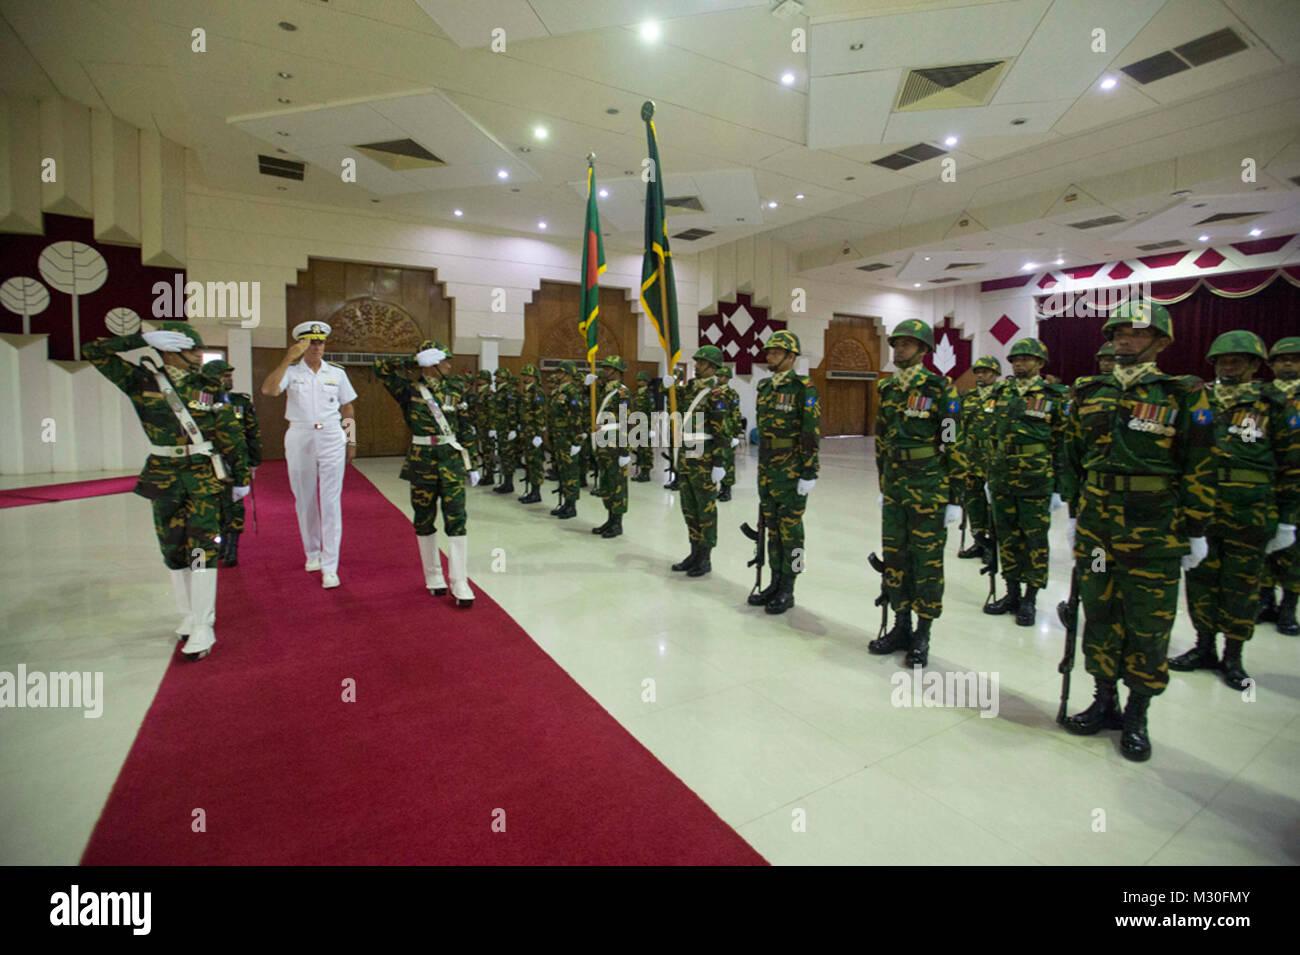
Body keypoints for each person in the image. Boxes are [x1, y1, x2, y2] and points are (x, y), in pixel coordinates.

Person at [1059, 301, 1216, 762]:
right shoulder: (1090, 390)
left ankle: (1137, 713)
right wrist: (1072, 511)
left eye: (1135, 333)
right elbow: (1071, 454)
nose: (1123, 339)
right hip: (1097, 523)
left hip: (1155, 527)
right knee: (1100, 611)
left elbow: (1200, 463)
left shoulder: (1182, 393)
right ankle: (1103, 700)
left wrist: (1196, 527)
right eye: (1118, 332)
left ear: (1160, 342)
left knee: (1149, 624)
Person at [84, 322, 251, 660]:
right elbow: (92, 351)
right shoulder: (140, 381)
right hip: (163, 477)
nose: (199, 357)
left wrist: (242, 476)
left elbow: (228, 430)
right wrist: (139, 340)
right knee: (173, 552)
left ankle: (205, 624)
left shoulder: (206, 386)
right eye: (193, 350)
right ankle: (189, 614)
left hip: (203, 478)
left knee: (201, 549)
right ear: (169, 349)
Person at [1170, 330, 1300, 689]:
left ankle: (1233, 657)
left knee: (1241, 587)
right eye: (1223, 359)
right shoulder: (1199, 399)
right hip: (1202, 508)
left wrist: (1288, 521)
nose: (1229, 365)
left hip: (1250, 513)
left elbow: (1292, 466)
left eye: (1238, 360)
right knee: (1200, 582)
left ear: (1255, 364)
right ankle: (1204, 647)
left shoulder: (1272, 403)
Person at [868, 319, 965, 666]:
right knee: (895, 557)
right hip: (895, 486)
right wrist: (883, 485)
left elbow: (952, 442)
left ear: (924, 350)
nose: (900, 350)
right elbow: (881, 441)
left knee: (926, 561)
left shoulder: (941, 389)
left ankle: (922, 633)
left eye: (908, 344)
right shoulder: (888, 389)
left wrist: (955, 496)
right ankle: (901, 624)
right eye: (897, 344)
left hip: (928, 487)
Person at [373, 340, 479, 607]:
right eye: (445, 361)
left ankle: (459, 580)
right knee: (424, 518)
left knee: (457, 517)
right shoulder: (408, 390)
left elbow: (465, 425)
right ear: (432, 364)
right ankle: (434, 577)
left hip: (451, 460)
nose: (450, 365)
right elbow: (380, 370)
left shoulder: (455, 387)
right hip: (422, 461)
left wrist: (473, 463)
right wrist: (413, 360)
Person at [259, 321, 357, 589]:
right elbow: (268, 390)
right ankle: (312, 553)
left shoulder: (336, 373)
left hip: (331, 435)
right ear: (301, 345)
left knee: (330, 500)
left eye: (320, 342)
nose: (316, 347)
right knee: (304, 498)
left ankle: (330, 565)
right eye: (310, 342)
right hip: (300, 435)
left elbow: (347, 408)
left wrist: (351, 440)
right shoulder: (290, 372)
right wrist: (288, 358)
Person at [981, 339, 1069, 626]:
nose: (1018, 363)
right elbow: (992, 435)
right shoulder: (1001, 392)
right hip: (1003, 477)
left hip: (1036, 478)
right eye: (1015, 359)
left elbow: (1062, 442)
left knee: (1034, 540)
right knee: (1006, 537)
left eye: (1025, 359)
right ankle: (1012, 593)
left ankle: (1030, 598)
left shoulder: (1054, 395)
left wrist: (1058, 486)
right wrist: (989, 473)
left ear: (1040, 363)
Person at [746, 331, 820, 614]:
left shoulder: (804, 388)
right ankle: (775, 581)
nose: (770, 356)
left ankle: (790, 586)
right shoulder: (765, 387)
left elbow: (810, 433)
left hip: (791, 468)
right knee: (771, 528)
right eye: (769, 351)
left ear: (791, 357)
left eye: (776, 352)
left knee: (792, 532)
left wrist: (808, 471)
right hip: (767, 468)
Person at [670, 346, 731, 576]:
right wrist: (671, 387)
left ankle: (705, 557)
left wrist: (718, 463)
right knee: (689, 507)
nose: (696, 365)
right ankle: (694, 552)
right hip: (688, 453)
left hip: (704, 455)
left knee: (705, 509)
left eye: (701, 362)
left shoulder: (717, 393)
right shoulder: (691, 390)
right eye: (696, 362)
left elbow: (721, 431)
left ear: (712, 366)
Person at [202, 360, 262, 567]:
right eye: (223, 375)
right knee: (206, 510)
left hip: (235, 461)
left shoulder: (240, 402)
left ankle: (231, 548)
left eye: (230, 375)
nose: (229, 379)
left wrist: (254, 460)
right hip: (204, 463)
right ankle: (208, 553)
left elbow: (252, 433)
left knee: (234, 505)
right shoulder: (199, 401)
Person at [1260, 337, 1300, 634]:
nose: (1288, 364)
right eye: (1282, 359)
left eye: (1295, 359)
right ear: (1271, 364)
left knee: (1295, 552)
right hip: (1264, 483)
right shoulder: (1259, 396)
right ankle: (1264, 602)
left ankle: (1288, 608)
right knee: (1261, 547)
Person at [956, 356, 1002, 559]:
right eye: (978, 372)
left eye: (986, 371)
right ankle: (979, 541)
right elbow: (956, 427)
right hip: (971, 459)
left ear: (996, 374)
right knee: (973, 502)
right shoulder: (968, 398)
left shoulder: (1004, 397)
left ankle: (993, 545)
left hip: (994, 460)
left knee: (994, 505)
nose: (981, 375)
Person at [589, 355, 633, 538]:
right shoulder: (604, 390)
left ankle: (617, 523)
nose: (604, 371)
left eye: (607, 368)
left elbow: (625, 421)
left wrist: (625, 449)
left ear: (616, 371)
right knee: (607, 483)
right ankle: (610, 519)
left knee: (617, 484)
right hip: (603, 443)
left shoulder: (622, 393)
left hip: (615, 443)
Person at [547, 361, 584, 519]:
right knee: (562, 471)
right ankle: (565, 503)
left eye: (561, 372)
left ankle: (572, 505)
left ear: (568, 374)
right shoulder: (558, 393)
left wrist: (576, 441)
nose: (557, 375)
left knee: (570, 472)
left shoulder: (572, 392)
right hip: (559, 437)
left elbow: (576, 418)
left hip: (568, 438)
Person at [516, 364, 546, 504]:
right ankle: (531, 491)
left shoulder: (537, 392)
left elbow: (539, 414)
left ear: (534, 377)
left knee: (535, 463)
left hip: (534, 432)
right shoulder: (526, 392)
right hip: (526, 431)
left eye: (528, 375)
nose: (526, 378)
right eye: (524, 375)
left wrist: (538, 434)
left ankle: (536, 492)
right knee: (529, 461)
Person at [489, 367, 519, 494]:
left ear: (505, 378)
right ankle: (505, 482)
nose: (496, 379)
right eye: (496, 377)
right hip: (501, 427)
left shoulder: (508, 391)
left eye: (499, 377)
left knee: (508, 456)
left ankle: (509, 483)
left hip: (507, 427)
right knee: (502, 454)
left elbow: (511, 410)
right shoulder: (499, 391)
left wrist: (512, 428)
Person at [715, 365, 742, 502]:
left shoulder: (732, 394)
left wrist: (735, 434)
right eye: (719, 375)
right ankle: (717, 487)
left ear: (728, 378)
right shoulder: (712, 392)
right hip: (714, 432)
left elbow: (735, 414)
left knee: (728, 461)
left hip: (727, 433)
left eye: (723, 376)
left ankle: (726, 489)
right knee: (715, 460)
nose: (721, 378)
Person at [632, 370, 654, 482]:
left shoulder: (648, 394)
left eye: (642, 380)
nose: (639, 382)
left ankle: (646, 472)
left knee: (646, 450)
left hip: (647, 425)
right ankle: (641, 471)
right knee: (640, 449)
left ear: (646, 381)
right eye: (638, 380)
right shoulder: (636, 394)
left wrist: (651, 428)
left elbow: (652, 411)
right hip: (639, 425)